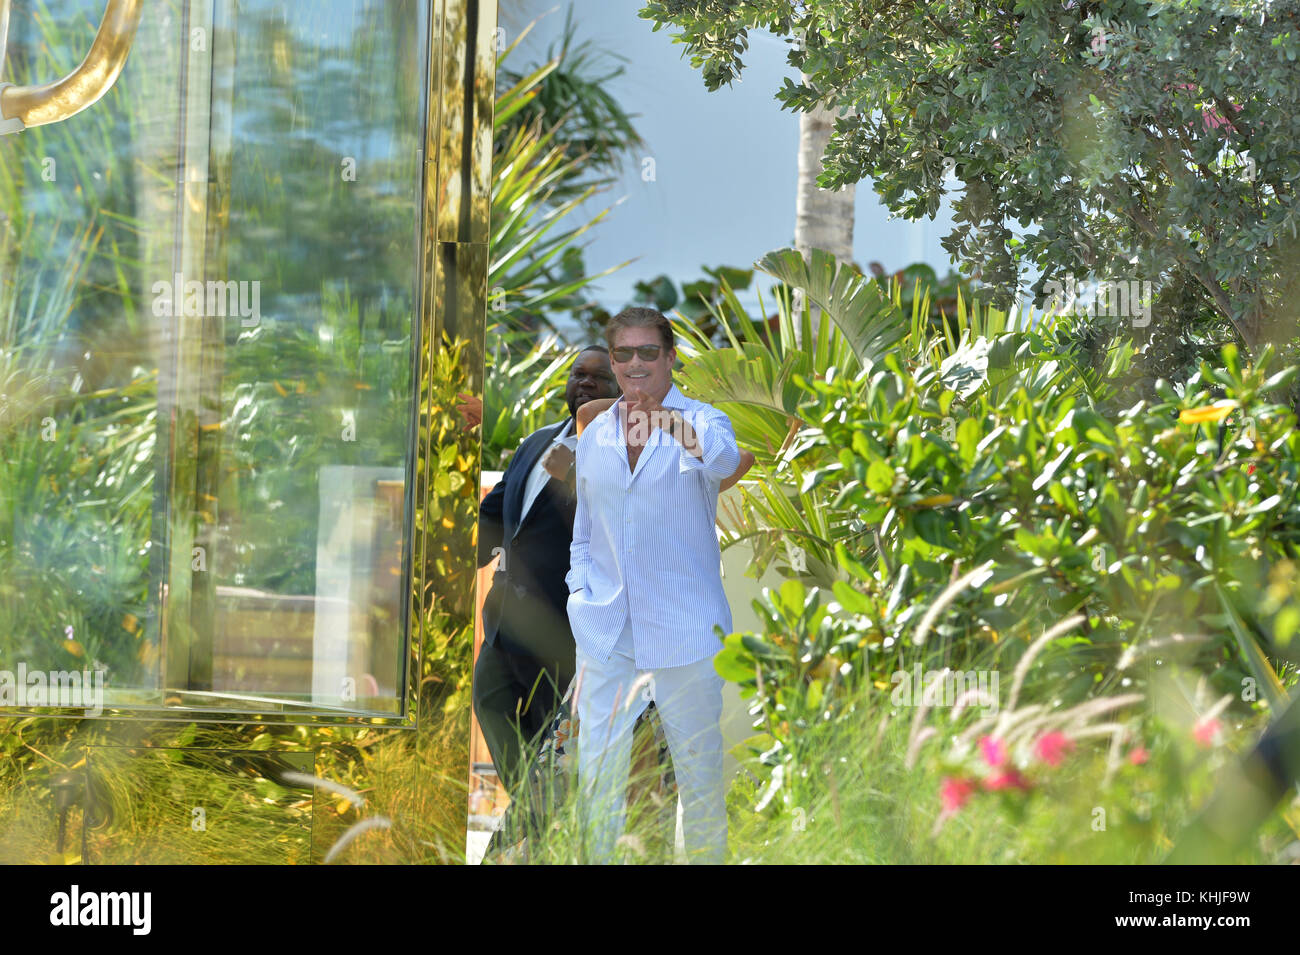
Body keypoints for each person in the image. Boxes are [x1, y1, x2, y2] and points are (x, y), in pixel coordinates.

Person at [566, 306, 741, 864]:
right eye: (623, 353)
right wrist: (579, 594)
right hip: (606, 630)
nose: (635, 363)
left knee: (699, 779)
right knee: (596, 779)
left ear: (670, 358)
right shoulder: (594, 436)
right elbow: (585, 532)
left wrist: (666, 421)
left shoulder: (706, 421)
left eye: (648, 352)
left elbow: (723, 460)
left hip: (685, 632)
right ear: (613, 360)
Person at [473, 346, 620, 824]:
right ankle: (539, 816)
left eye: (600, 377)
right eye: (578, 374)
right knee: (489, 701)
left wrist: (574, 477)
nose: (586, 383)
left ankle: (544, 829)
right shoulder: (535, 442)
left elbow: (616, 530)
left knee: (544, 733)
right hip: (503, 617)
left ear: (620, 391)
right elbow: (495, 516)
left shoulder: (623, 455)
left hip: (561, 629)